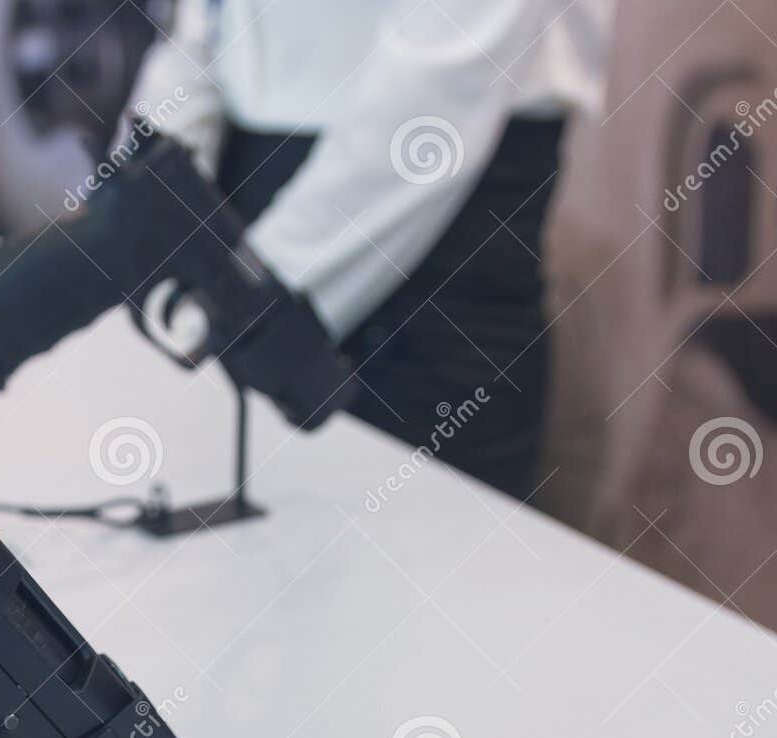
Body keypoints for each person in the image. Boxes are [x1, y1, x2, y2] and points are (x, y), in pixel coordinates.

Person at [123, 0, 614, 497]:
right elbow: (199, 33)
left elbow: (438, 95)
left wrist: (234, 303)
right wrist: (151, 220)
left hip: (429, 264)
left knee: (428, 553)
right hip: (239, 223)